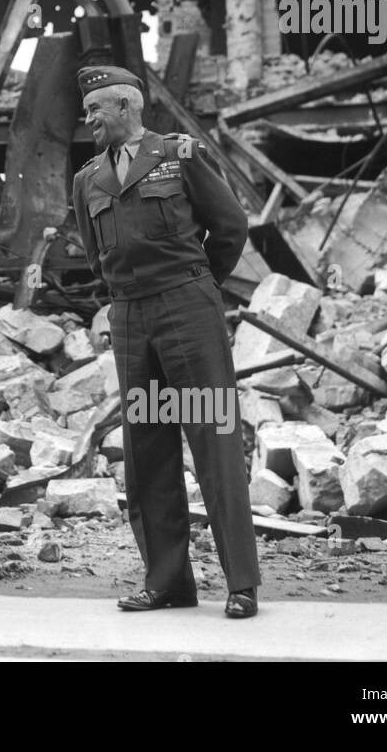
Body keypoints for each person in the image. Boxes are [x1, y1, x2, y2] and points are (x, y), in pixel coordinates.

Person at [70, 65, 260, 619]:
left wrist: (200, 286)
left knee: (213, 441)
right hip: (131, 318)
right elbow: (93, 254)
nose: (89, 121)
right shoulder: (88, 180)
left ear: (127, 107)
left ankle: (241, 584)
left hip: (187, 309)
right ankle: (168, 581)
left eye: (96, 111)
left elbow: (230, 226)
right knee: (147, 450)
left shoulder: (179, 155)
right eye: (86, 113)